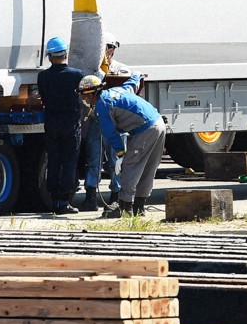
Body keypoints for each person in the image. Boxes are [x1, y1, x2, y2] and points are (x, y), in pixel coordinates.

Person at [79, 72, 166, 217]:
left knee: (130, 167)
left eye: (83, 95)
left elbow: (110, 133)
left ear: (90, 94)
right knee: (148, 169)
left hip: (144, 130)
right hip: (159, 124)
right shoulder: (115, 91)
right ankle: (139, 207)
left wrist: (121, 154)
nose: (83, 99)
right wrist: (138, 76)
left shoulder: (102, 105)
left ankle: (125, 208)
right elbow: (131, 85)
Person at [81, 32, 129, 211]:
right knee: (94, 159)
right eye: (105, 48)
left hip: (116, 123)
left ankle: (116, 195)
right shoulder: (93, 70)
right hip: (96, 121)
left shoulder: (122, 70)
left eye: (110, 48)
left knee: (116, 160)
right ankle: (91, 195)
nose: (108, 52)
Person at [37, 37, 85, 215]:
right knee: (69, 163)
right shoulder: (76, 75)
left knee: (54, 162)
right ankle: (65, 201)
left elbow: (43, 96)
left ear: (49, 56)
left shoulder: (43, 76)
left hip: (52, 125)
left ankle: (55, 200)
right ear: (66, 54)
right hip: (71, 125)